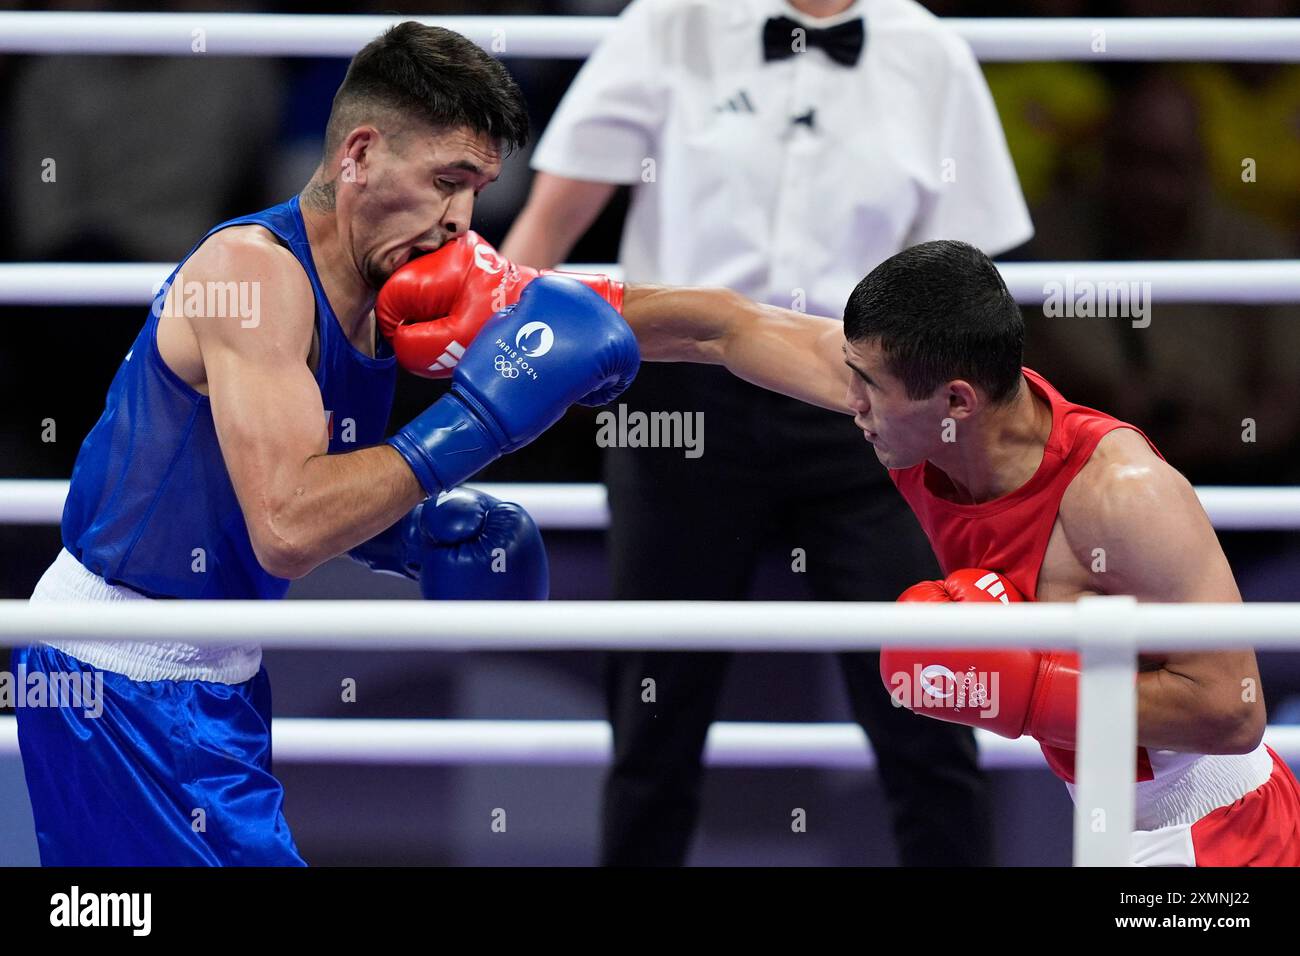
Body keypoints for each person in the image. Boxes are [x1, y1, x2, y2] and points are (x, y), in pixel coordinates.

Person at [14, 22, 639, 866]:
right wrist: (475, 424)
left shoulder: (388, 285)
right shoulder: (252, 274)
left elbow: (270, 485)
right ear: (360, 154)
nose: (462, 221)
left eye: (478, 190)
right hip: (125, 675)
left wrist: (407, 537)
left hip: (205, 672)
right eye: (445, 182)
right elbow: (286, 525)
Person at [499, 0, 1033, 866]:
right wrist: (497, 359)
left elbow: (967, 284)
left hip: (867, 410)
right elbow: (548, 224)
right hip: (682, 403)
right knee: (653, 713)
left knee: (929, 703)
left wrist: (963, 438)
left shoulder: (927, 53)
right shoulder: (671, 22)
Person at [614, 239, 1299, 865]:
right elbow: (723, 326)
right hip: (1108, 817)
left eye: (867, 386)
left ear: (957, 402)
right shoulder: (909, 407)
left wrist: (1031, 692)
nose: (849, 403)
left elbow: (1233, 710)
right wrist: (533, 305)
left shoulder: (1122, 496)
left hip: (1221, 836)